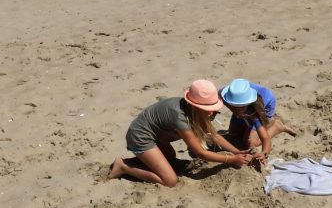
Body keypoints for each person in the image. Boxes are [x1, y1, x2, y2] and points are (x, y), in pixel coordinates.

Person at [107, 79, 253, 186]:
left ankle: (145, 161)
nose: (213, 112)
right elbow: (201, 153)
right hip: (140, 137)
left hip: (158, 136)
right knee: (170, 181)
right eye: (210, 109)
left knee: (171, 157)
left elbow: (213, 135)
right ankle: (124, 166)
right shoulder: (180, 118)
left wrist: (236, 152)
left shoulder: (193, 110)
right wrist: (231, 160)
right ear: (196, 106)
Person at [219, 77, 296, 165]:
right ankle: (246, 124)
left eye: (240, 107)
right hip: (244, 103)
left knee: (249, 142)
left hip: (266, 102)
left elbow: (265, 138)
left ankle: (277, 127)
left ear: (246, 104)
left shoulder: (253, 110)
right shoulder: (224, 94)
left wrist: (264, 153)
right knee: (233, 134)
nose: (236, 109)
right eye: (233, 106)